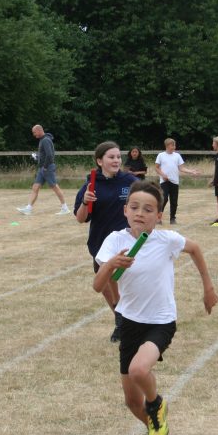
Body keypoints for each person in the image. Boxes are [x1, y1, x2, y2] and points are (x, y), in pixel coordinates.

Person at [94, 180, 218, 435]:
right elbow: (98, 285)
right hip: (129, 323)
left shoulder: (166, 240)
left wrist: (208, 288)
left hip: (161, 322)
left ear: (159, 215)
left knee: (139, 370)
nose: (140, 213)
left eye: (148, 209)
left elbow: (195, 249)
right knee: (131, 401)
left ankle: (157, 405)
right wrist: (112, 264)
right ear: (125, 210)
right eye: (135, 207)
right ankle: (155, 432)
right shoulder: (115, 241)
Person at [74, 141, 138, 343]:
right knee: (104, 286)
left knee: (123, 284)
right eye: (111, 157)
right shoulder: (91, 185)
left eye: (118, 156)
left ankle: (127, 323)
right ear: (99, 161)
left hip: (126, 243)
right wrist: (85, 201)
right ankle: (120, 319)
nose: (116, 160)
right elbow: (80, 218)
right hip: (100, 243)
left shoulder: (129, 181)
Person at [17, 125, 69, 215]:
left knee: (54, 187)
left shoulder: (45, 140)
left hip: (47, 168)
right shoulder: (42, 140)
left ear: (39, 130)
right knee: (35, 187)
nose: (34, 134)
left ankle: (65, 208)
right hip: (42, 168)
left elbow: (50, 155)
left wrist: (45, 167)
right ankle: (28, 209)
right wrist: (37, 157)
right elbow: (45, 155)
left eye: (34, 132)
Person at [154, 138, 198, 224]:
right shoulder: (161, 155)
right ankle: (158, 218)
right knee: (164, 199)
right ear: (167, 146)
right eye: (172, 145)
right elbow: (156, 167)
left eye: (174, 145)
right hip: (164, 181)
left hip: (174, 182)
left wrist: (191, 171)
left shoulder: (177, 156)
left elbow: (181, 168)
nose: (174, 147)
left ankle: (172, 218)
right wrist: (163, 175)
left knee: (174, 201)